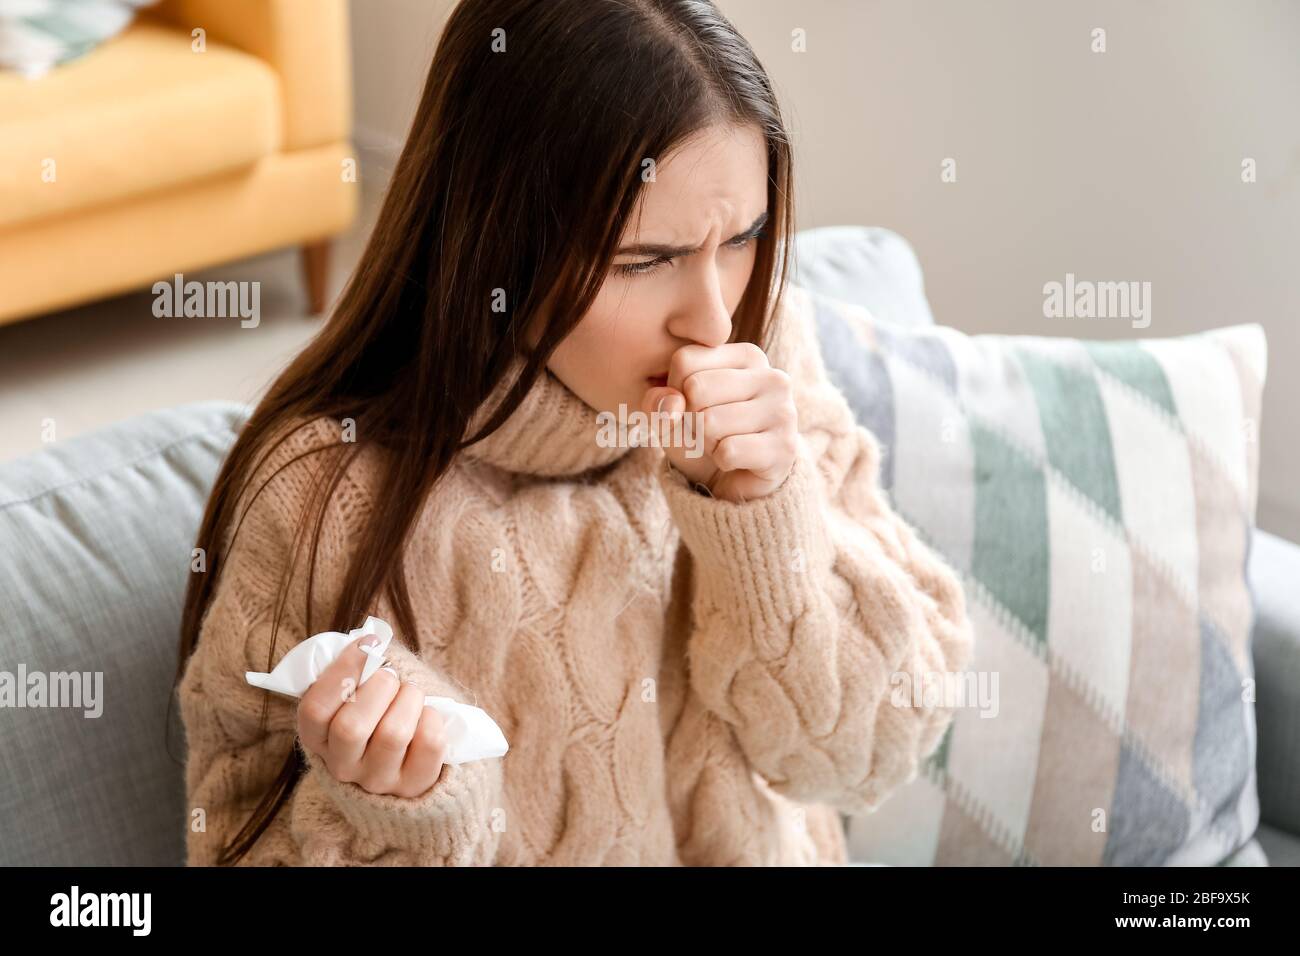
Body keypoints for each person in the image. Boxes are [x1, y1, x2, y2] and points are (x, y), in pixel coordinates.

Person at [173, 0, 974, 866]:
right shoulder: (324, 497)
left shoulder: (766, 350)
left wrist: (765, 523)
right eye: (644, 262)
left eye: (741, 237)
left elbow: (865, 757)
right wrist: (403, 819)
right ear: (498, 244)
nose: (712, 319)